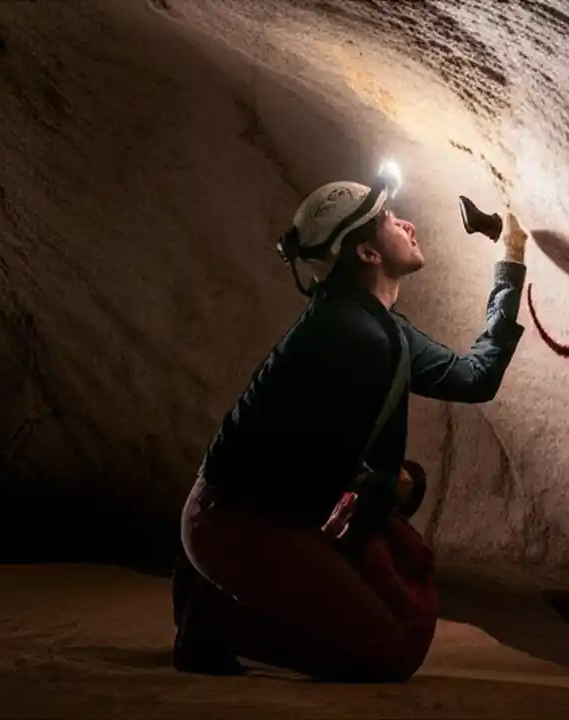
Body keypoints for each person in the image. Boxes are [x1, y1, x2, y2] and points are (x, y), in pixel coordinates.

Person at [173, 169, 530, 681]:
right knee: (393, 651)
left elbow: (474, 379)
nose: (405, 222)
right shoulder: (354, 335)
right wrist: (389, 490)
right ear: (366, 253)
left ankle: (220, 593)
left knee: (396, 534)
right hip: (237, 523)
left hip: (262, 513)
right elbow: (335, 478)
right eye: (387, 218)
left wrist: (509, 263)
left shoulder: (376, 326)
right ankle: (218, 618)